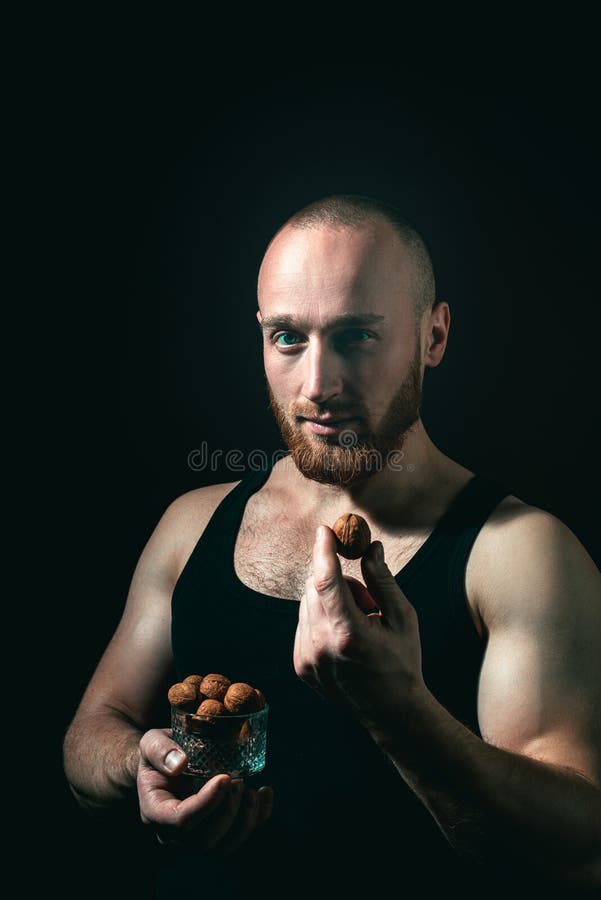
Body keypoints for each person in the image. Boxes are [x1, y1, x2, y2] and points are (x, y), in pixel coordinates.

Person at [63, 195, 601, 898]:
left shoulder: (520, 553)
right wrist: (140, 765)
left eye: (355, 337)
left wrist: (396, 708)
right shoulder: (192, 522)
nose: (317, 387)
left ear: (432, 337)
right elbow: (88, 737)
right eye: (288, 337)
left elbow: (576, 852)